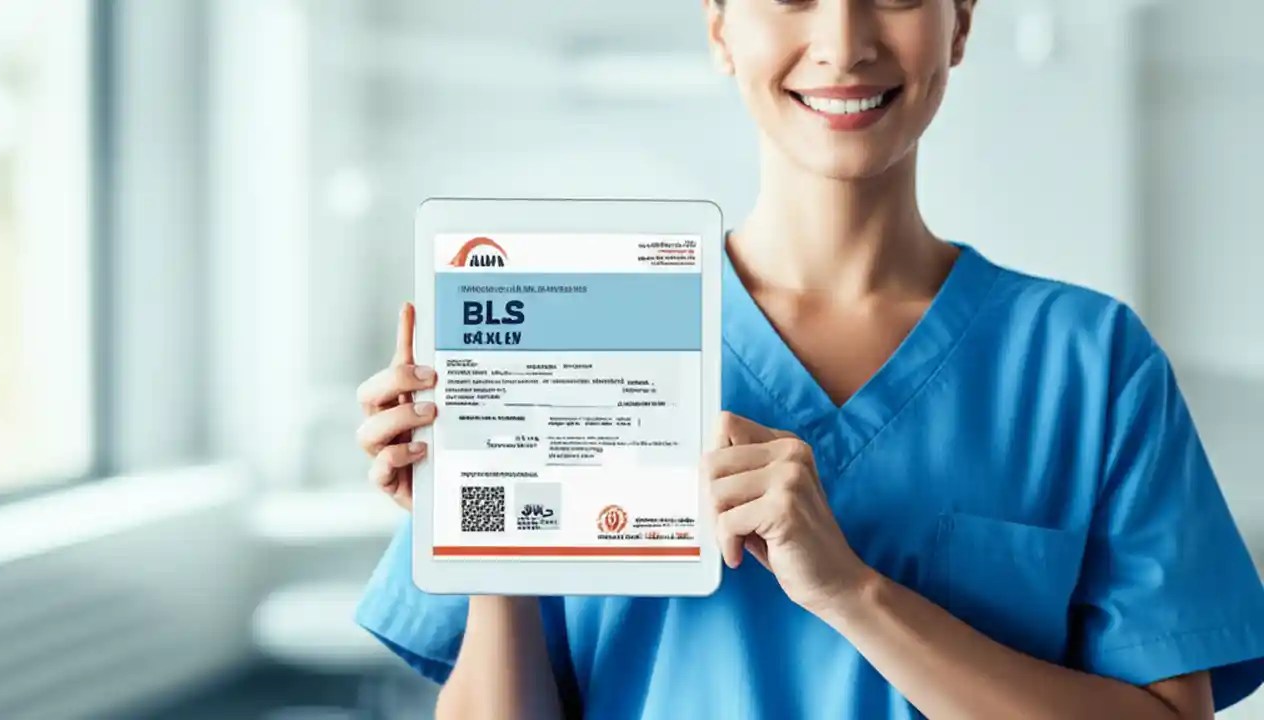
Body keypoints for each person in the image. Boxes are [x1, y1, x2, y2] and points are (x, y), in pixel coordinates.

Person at [352, 0, 1264, 717]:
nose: (844, 43)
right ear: (720, 27)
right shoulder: (569, 337)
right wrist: (483, 527)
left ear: (960, 23)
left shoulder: (1088, 364)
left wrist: (853, 592)